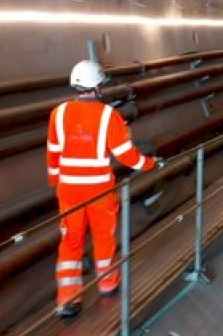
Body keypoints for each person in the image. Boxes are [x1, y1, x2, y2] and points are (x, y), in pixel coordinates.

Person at [46, 60, 158, 317]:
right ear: (97, 87)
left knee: (70, 242)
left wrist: (56, 180)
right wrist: (149, 164)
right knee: (103, 237)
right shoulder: (108, 115)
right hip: (99, 191)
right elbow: (126, 155)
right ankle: (107, 283)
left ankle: (68, 298)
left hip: (69, 191)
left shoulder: (58, 114)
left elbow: (53, 152)